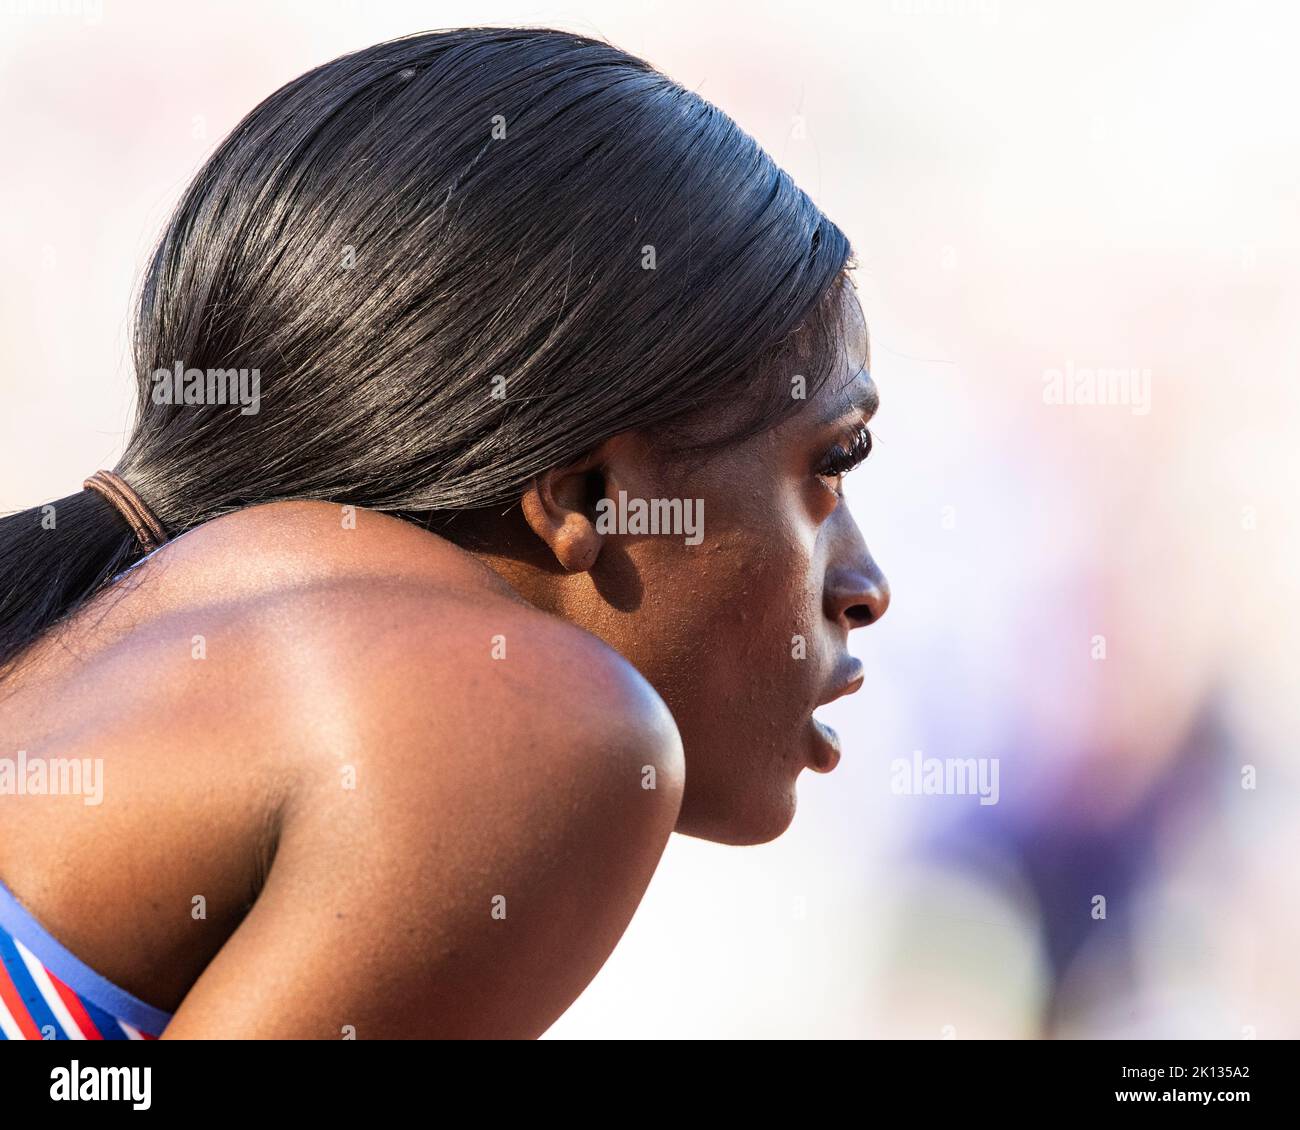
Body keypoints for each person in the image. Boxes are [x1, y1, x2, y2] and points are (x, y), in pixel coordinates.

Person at [0, 26, 888, 1039]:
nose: (864, 583)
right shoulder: (535, 722)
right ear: (591, 494)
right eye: (832, 463)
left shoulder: (127, 638)